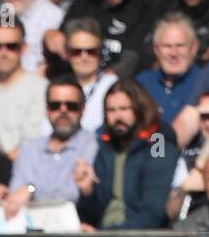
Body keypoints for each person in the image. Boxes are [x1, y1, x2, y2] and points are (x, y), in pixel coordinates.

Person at [75, 79, 178, 229]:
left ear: (139, 108)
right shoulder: (106, 146)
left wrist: (104, 235)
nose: (118, 117)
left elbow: (153, 212)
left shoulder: (159, 141)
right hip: (103, 235)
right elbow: (92, 213)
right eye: (111, 110)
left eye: (124, 108)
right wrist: (88, 192)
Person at [3, 78, 99, 216]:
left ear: (83, 110)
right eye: (55, 105)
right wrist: (30, 189)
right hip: (32, 229)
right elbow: (16, 195)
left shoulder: (94, 146)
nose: (63, 110)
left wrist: (32, 189)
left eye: (71, 106)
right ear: (47, 110)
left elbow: (73, 195)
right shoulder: (29, 150)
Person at [0, 14, 49, 157]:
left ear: (24, 48)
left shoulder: (42, 89)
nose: (3, 53)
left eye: (11, 46)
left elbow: (34, 143)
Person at [42, 0, 151, 79]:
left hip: (117, 87)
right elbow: (62, 46)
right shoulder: (80, 6)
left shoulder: (142, 11)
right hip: (77, 82)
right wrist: (50, 37)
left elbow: (131, 61)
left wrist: (101, 84)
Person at [146, 13, 209, 145]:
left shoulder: (204, 84)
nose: (174, 53)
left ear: (194, 47)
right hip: (147, 159)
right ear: (156, 49)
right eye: (167, 46)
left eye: (180, 45)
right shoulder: (141, 84)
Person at [58, 18, 120, 133]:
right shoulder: (58, 88)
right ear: (67, 53)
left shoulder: (113, 86)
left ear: (101, 52)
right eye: (76, 52)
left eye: (91, 51)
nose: (84, 57)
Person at [166, 88, 209, 227]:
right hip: (191, 231)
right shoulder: (184, 157)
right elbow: (170, 213)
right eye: (203, 117)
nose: (208, 124)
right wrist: (184, 189)